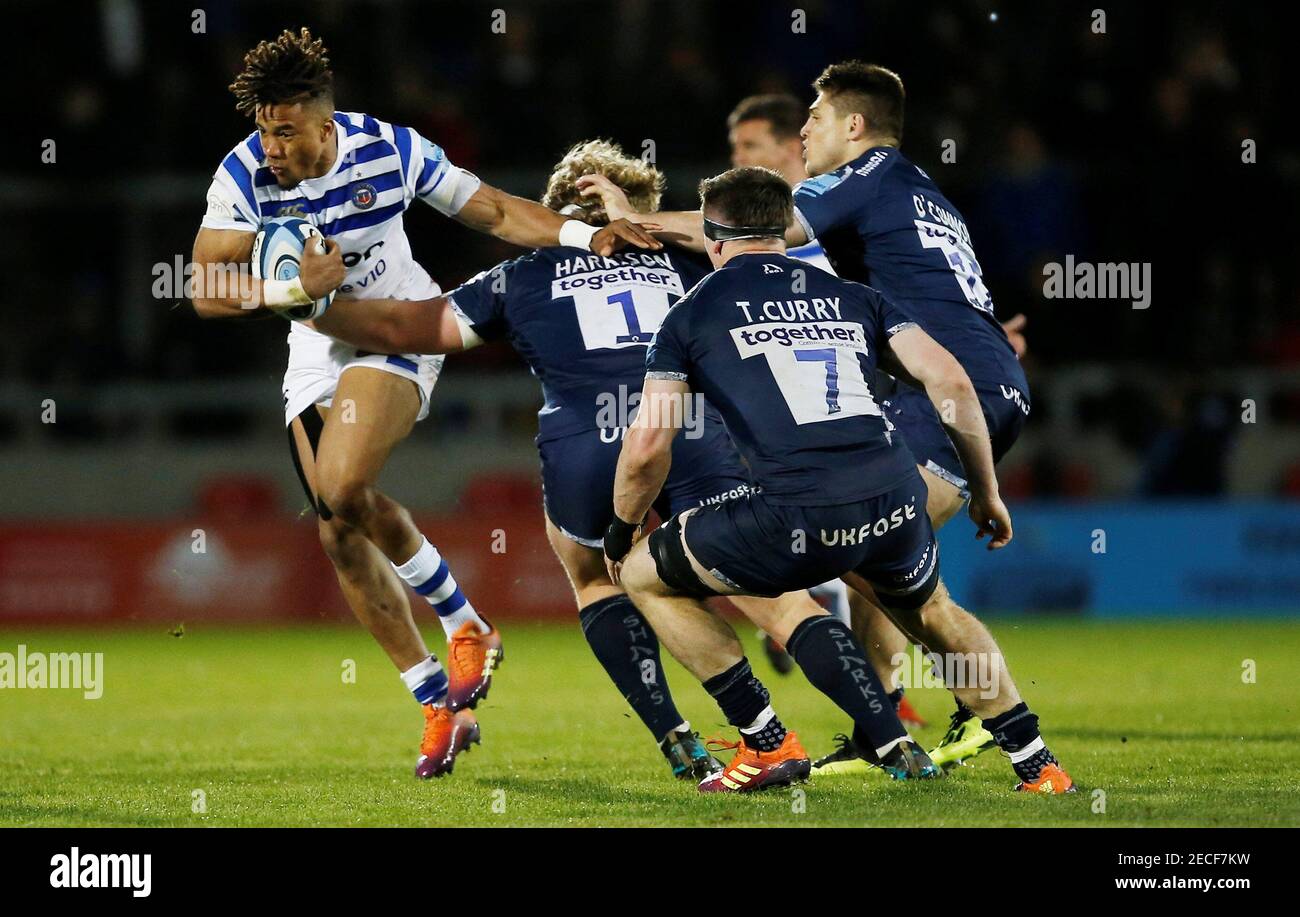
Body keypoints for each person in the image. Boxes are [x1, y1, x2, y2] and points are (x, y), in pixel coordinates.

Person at [189, 28, 657, 780]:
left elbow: (496, 212)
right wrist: (287, 291)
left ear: (323, 121)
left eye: (286, 131)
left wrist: (583, 233)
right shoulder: (243, 173)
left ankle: (464, 621)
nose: (271, 147)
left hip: (402, 323)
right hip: (314, 339)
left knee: (340, 486)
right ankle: (438, 698)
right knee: (339, 531)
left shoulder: (390, 150)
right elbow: (205, 287)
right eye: (263, 130)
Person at [307, 140, 847, 783]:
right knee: (772, 596)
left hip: (587, 443)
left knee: (596, 579)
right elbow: (766, 255)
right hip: (692, 432)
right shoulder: (685, 259)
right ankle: (883, 734)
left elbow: (408, 331)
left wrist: (307, 304)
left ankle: (680, 736)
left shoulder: (522, 273)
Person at [579, 64, 1039, 778]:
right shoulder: (918, 189)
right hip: (971, 384)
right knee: (880, 563)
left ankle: (972, 721)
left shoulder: (868, 174)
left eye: (816, 117)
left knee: (878, 553)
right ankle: (899, 726)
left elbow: (764, 229)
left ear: (854, 127)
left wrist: (630, 220)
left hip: (948, 391)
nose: (806, 128)